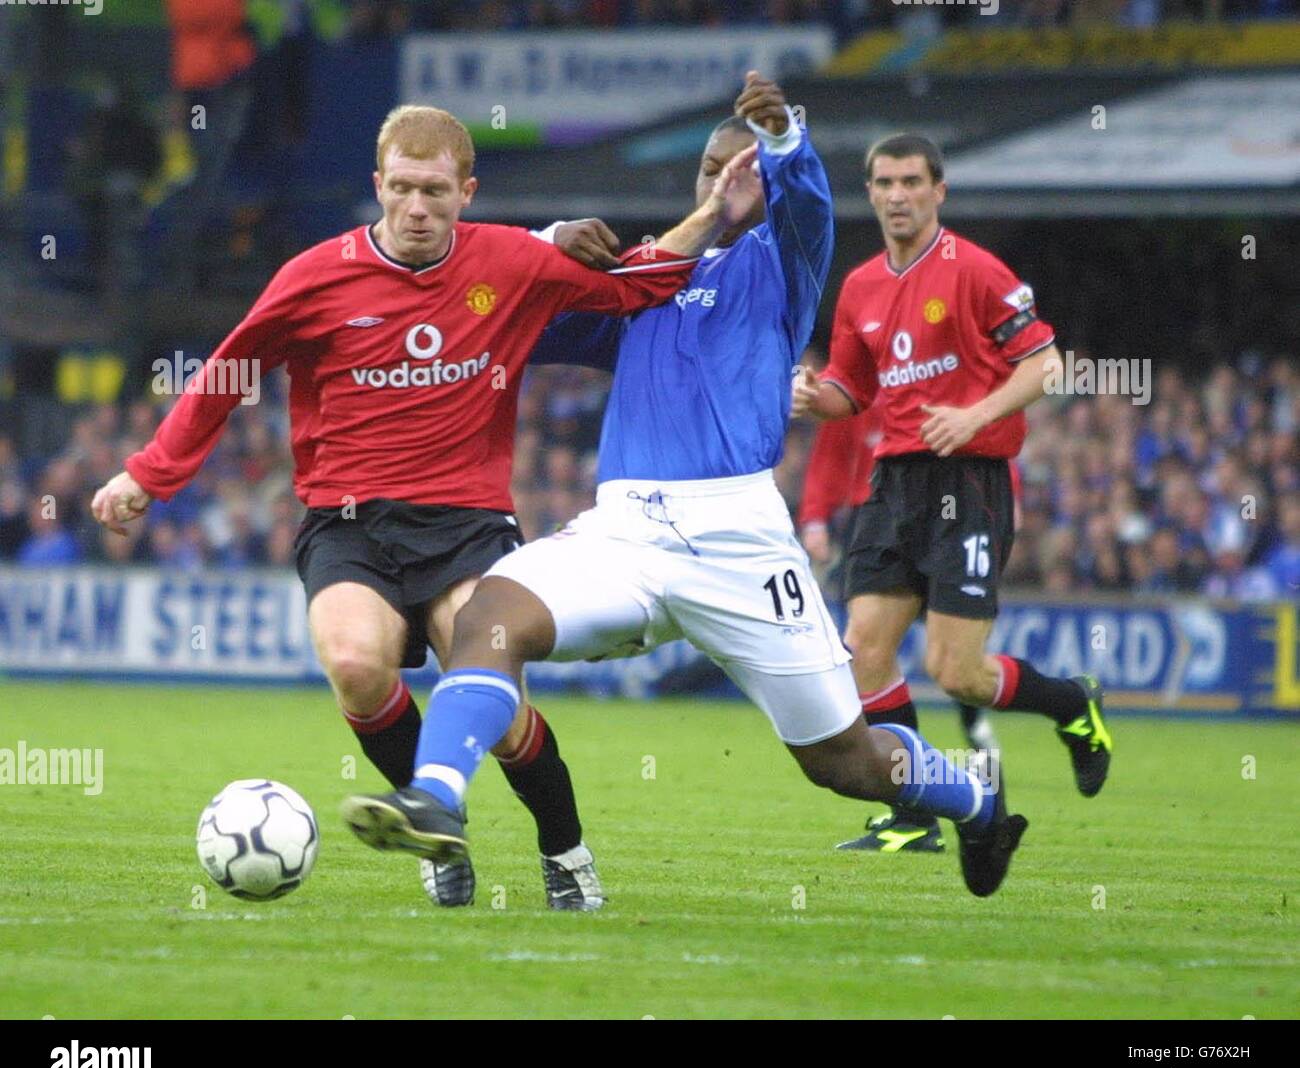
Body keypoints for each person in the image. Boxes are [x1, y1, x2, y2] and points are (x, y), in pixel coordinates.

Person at [342, 74, 1030, 900]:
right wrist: (549, 236)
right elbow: (497, 302)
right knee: (492, 613)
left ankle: (978, 802)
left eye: (741, 170)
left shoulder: (782, 263)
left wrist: (783, 142)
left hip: (739, 538)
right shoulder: (639, 276)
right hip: (625, 532)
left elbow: (807, 204)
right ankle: (438, 800)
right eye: (711, 170)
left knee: (841, 763)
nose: (724, 181)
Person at [90, 103, 731, 911]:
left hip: (467, 524)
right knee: (355, 666)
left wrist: (714, 210)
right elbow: (228, 369)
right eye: (401, 189)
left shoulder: (510, 261)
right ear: (378, 186)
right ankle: (437, 824)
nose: (417, 208)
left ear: (467, 191)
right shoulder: (315, 275)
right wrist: (147, 475)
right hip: (347, 525)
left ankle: (564, 851)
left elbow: (640, 282)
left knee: (495, 704)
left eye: (434, 191)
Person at [792, 133, 1112, 852]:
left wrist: (976, 414)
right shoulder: (861, 285)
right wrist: (819, 398)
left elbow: (1047, 364)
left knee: (956, 672)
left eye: (912, 181)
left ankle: (1072, 704)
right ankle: (913, 810)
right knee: (864, 653)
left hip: (969, 481)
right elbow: (854, 388)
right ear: (870, 192)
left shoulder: (975, 270)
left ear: (939, 191)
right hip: (894, 482)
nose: (897, 195)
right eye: (884, 182)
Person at [796, 399, 1004, 853]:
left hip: (955, 508)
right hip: (873, 513)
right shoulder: (859, 374)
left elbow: (995, 415)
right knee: (866, 650)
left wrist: (1012, 498)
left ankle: (981, 745)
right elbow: (831, 450)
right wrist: (815, 516)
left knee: (953, 657)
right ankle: (916, 813)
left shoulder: (946, 367)